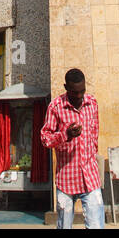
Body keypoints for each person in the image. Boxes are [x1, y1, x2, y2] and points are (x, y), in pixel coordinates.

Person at [39, 68, 103, 229]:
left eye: (83, 91)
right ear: (66, 88)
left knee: (96, 225)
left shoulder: (92, 103)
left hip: (90, 177)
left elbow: (94, 133)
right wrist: (65, 135)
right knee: (64, 226)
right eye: (75, 93)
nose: (80, 96)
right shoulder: (55, 107)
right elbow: (45, 139)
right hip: (66, 179)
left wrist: (92, 152)